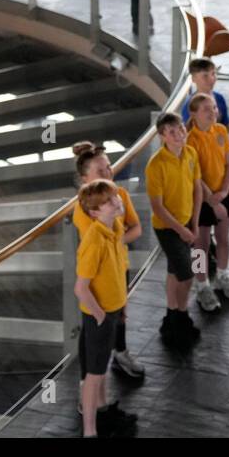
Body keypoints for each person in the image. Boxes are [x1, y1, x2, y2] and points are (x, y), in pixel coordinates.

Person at [71, 142, 144, 384]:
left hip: (119, 267)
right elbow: (98, 237)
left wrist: (117, 239)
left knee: (121, 314)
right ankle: (87, 383)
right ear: (85, 179)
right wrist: (118, 239)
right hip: (98, 276)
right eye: (101, 171)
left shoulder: (119, 194)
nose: (108, 173)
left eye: (109, 167)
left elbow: (136, 228)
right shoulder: (83, 209)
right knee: (92, 328)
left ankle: (119, 354)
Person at [73, 178, 137, 437]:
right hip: (100, 316)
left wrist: (120, 304)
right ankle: (90, 431)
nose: (117, 201)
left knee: (100, 370)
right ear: (94, 212)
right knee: (95, 375)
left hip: (112, 310)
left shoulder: (116, 227)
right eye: (109, 201)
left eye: (115, 197)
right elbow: (81, 288)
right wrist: (100, 315)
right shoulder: (94, 241)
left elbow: (117, 269)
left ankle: (102, 409)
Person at [145, 113, 204, 349]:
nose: (179, 134)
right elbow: (158, 208)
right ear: (162, 137)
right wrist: (182, 230)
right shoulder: (155, 165)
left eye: (180, 128)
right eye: (171, 132)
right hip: (167, 227)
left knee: (173, 271)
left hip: (187, 221)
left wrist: (195, 223)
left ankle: (171, 315)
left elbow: (197, 189)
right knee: (187, 275)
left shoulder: (190, 154)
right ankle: (181, 313)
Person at [186, 93, 229, 313]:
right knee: (201, 245)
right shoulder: (191, 140)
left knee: (223, 238)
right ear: (194, 114)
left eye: (214, 108)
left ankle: (222, 275)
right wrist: (211, 199)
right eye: (206, 109)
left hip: (222, 191)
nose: (212, 113)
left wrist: (225, 190)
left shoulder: (221, 131)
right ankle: (201, 284)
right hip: (201, 197)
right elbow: (196, 176)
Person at [180, 57, 229, 127]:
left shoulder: (219, 98)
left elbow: (226, 126)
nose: (211, 79)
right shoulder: (189, 105)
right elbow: (188, 132)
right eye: (205, 76)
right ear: (193, 79)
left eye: (213, 74)